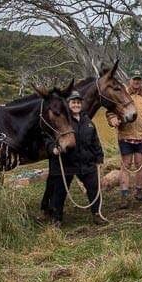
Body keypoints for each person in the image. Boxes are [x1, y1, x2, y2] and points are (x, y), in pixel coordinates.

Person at [47, 90, 107, 226]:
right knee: (60, 192)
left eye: (78, 102)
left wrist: (99, 158)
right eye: (73, 102)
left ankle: (97, 214)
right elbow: (48, 139)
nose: (76, 105)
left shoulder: (88, 121)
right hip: (67, 162)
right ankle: (57, 219)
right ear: (68, 104)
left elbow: (95, 141)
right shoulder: (61, 119)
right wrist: (53, 149)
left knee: (94, 188)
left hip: (86, 161)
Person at [113, 73, 142, 207]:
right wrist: (112, 119)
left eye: (139, 79)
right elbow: (110, 111)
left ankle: (139, 190)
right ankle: (124, 195)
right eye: (134, 79)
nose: (137, 82)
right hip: (125, 136)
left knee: (140, 164)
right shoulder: (121, 94)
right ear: (130, 80)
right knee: (125, 165)